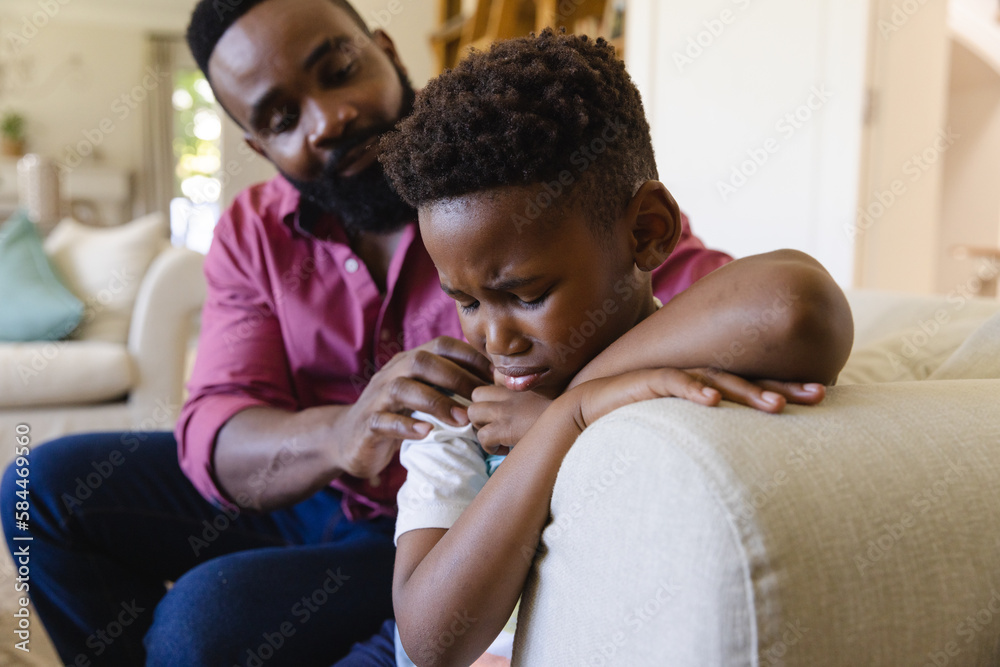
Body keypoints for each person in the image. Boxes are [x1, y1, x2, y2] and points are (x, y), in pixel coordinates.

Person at [0, 2, 832, 666]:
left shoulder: (530, 184)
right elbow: (215, 424)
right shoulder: (256, 229)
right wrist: (346, 429)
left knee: (201, 621)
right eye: (281, 116)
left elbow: (760, 304)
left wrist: (573, 401)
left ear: (384, 49)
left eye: (337, 69)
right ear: (256, 144)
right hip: (320, 490)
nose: (326, 119)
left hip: (425, 522)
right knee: (39, 484)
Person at [371, 29, 854, 666]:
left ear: (647, 233)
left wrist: (577, 403)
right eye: (466, 302)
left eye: (527, 293)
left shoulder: (681, 363)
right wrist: (568, 421)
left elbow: (793, 306)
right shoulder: (461, 413)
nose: (495, 337)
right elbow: (431, 642)